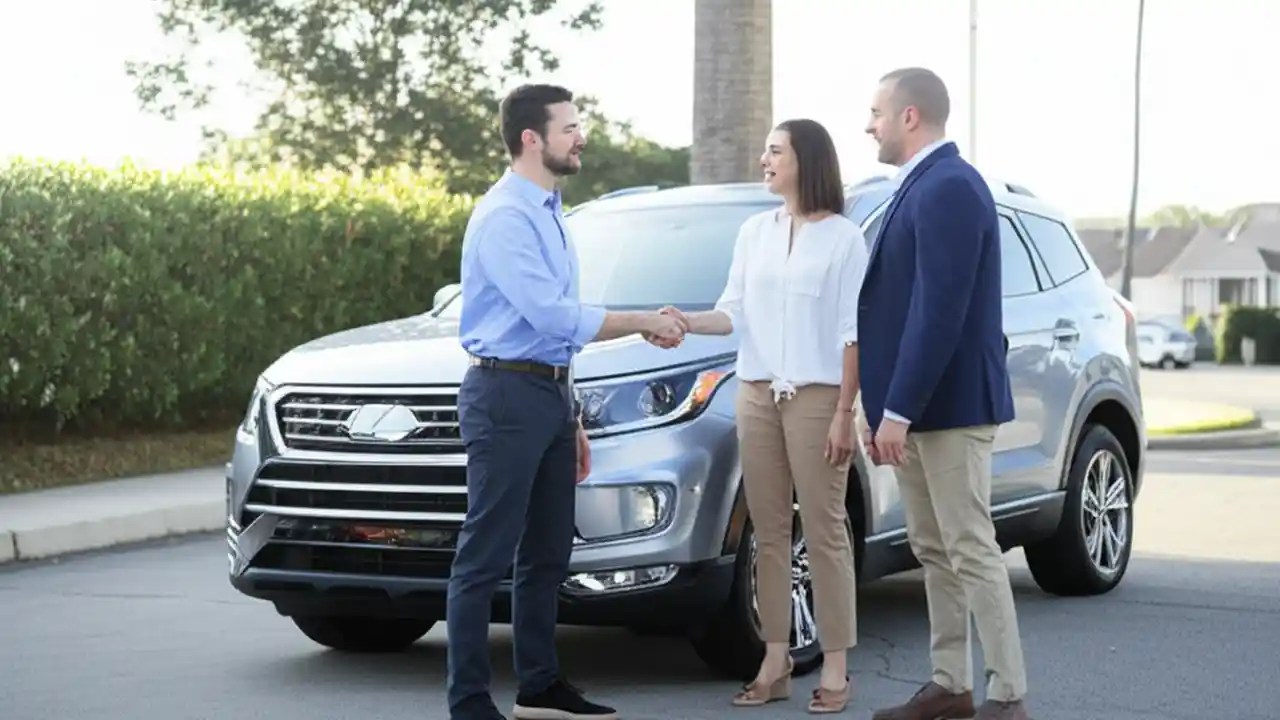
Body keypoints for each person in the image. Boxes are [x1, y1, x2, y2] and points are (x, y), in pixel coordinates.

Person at [447, 83, 687, 720]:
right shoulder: (506, 216)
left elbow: (555, 337)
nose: (581, 137)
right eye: (570, 128)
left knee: (550, 552)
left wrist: (572, 413)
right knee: (485, 553)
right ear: (532, 139)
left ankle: (540, 684)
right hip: (504, 394)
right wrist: (641, 321)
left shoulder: (551, 212)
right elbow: (549, 313)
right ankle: (469, 700)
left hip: (549, 394)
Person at [659, 118, 867, 714]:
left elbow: (855, 334)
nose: (764, 160)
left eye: (775, 152)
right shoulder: (754, 232)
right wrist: (686, 321)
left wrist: (844, 411)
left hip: (818, 396)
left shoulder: (845, 239)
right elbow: (733, 311)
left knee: (824, 531)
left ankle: (835, 667)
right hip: (753, 393)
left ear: (806, 160)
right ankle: (774, 661)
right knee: (769, 532)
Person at [857, 67, 1030, 720]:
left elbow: (939, 310)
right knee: (933, 549)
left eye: (875, 112)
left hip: (949, 406)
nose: (867, 124)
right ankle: (950, 685)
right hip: (919, 407)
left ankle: (1007, 696)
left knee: (969, 547)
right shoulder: (921, 187)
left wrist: (895, 410)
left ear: (909, 117)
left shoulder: (951, 186)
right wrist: (885, 410)